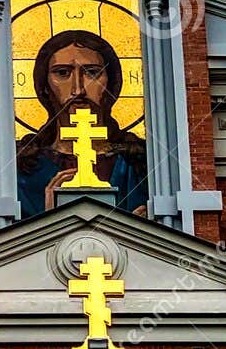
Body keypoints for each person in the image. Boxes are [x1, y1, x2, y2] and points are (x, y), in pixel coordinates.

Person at [16, 29, 148, 218]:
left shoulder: (139, 162)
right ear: (44, 86)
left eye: (92, 73)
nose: (78, 90)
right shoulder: (23, 167)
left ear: (111, 84)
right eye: (62, 73)